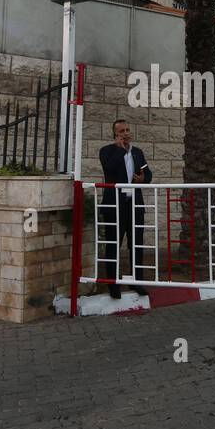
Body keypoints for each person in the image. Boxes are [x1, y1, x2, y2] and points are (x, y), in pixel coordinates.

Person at [98, 119, 151, 299]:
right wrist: (120, 149)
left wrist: (143, 178)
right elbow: (109, 169)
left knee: (136, 244)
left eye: (128, 129)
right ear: (115, 134)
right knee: (114, 245)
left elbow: (148, 175)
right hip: (114, 206)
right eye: (122, 131)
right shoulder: (107, 151)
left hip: (134, 206)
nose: (126, 133)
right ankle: (113, 284)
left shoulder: (137, 152)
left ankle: (136, 281)